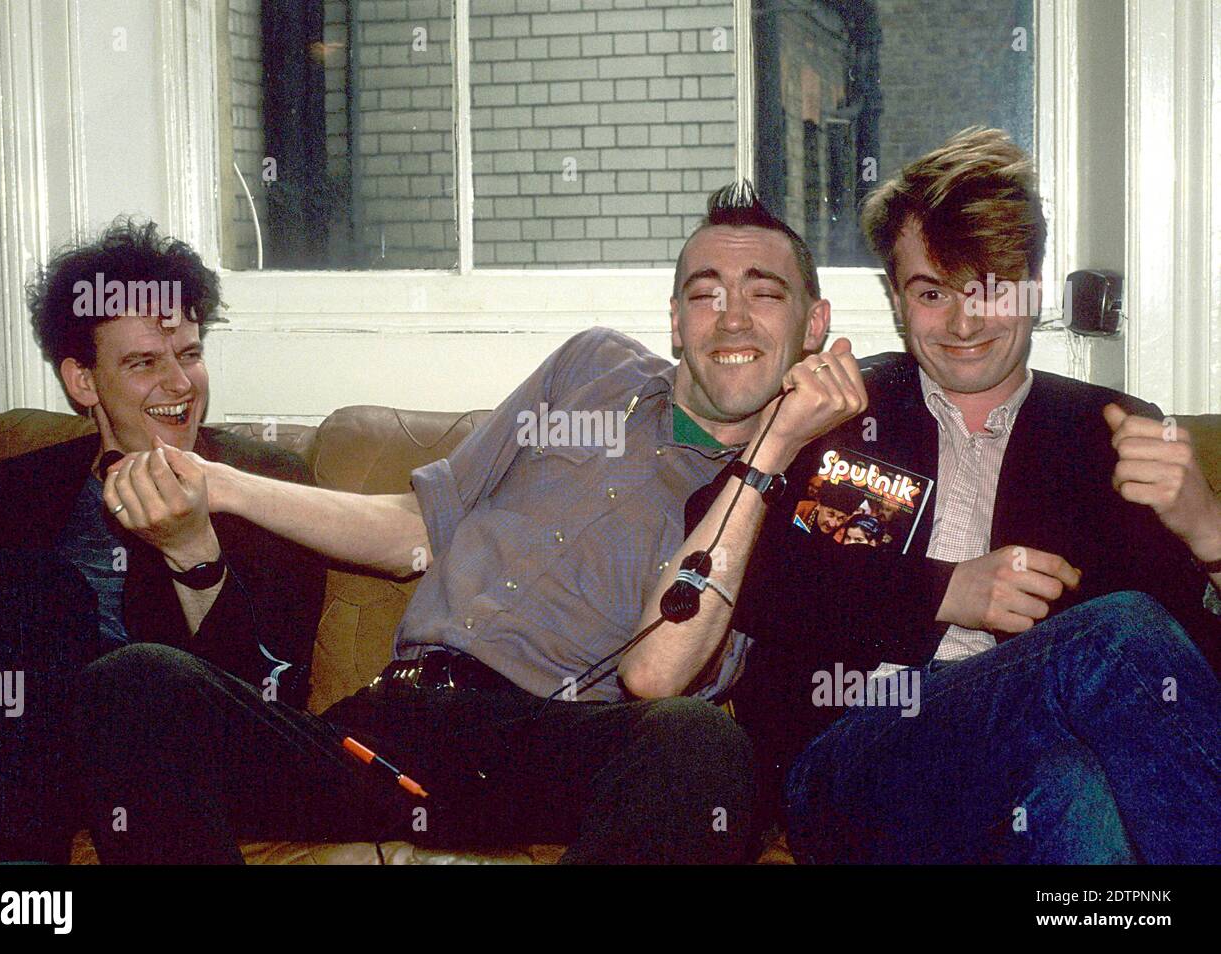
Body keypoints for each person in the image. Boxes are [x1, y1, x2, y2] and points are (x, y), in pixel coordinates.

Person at [68, 183, 867, 864]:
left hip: (547, 750)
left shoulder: (811, 494)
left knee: (699, 746)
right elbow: (414, 529)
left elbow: (656, 676)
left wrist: (769, 454)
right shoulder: (593, 368)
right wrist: (219, 485)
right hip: (384, 731)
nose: (730, 318)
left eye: (763, 293)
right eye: (704, 293)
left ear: (814, 321)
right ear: (674, 319)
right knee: (136, 682)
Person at [686, 128, 1221, 863]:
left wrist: (1210, 534)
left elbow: (1180, 688)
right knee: (1111, 635)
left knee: (1072, 787)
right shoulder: (839, 409)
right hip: (851, 754)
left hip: (1028, 767)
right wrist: (940, 591)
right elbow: (728, 570)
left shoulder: (1111, 432)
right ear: (898, 300)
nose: (964, 324)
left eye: (990, 290)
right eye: (933, 293)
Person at [0, 220, 325, 864]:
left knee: (125, 676)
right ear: (82, 381)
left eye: (189, 354)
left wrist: (193, 546)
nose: (180, 384)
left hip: (187, 751)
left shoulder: (265, 485)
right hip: (28, 756)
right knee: (30, 588)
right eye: (144, 362)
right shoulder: (1, 494)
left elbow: (268, 688)